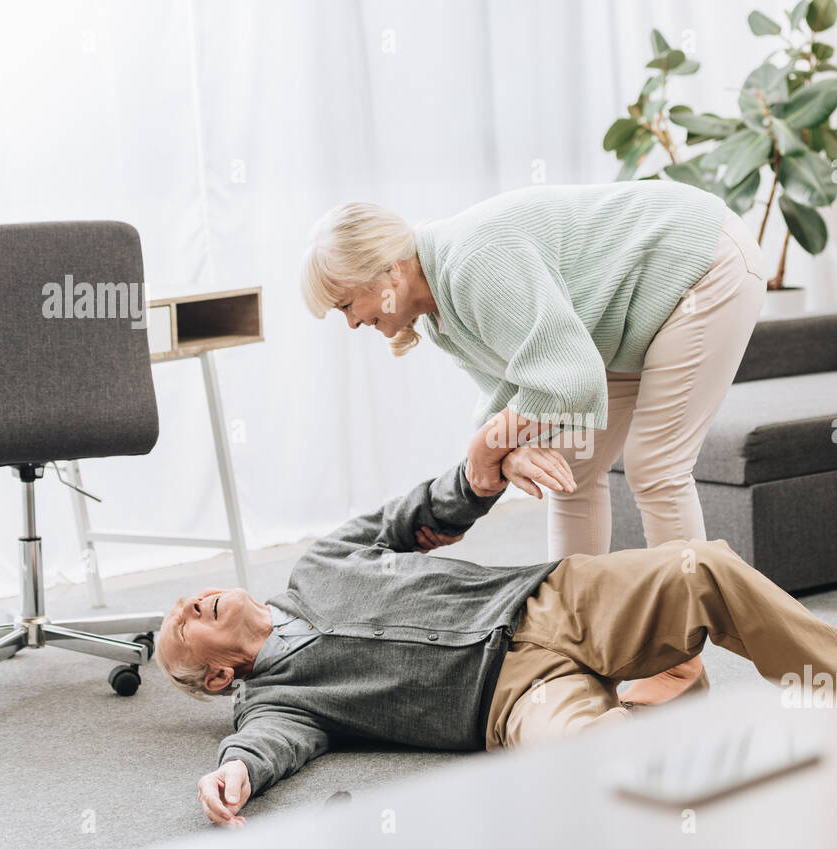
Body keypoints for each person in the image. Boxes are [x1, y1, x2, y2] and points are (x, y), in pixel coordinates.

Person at [154, 447, 837, 828]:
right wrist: (233, 776)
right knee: (621, 783)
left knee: (702, 566)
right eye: (187, 623)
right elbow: (264, 748)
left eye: (191, 597)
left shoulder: (316, 565)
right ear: (222, 676)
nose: (195, 599)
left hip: (550, 598)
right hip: (510, 698)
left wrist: (478, 471)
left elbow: (413, 514)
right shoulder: (277, 699)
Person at [300, 179, 767, 707]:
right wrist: (510, 448)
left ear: (387, 270)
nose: (353, 322)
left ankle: (681, 664)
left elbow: (569, 380)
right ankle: (581, 650)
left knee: (655, 467)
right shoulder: (437, 317)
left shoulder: (474, 262)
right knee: (572, 473)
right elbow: (509, 393)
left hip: (701, 265)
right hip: (619, 325)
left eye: (346, 305)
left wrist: (491, 446)